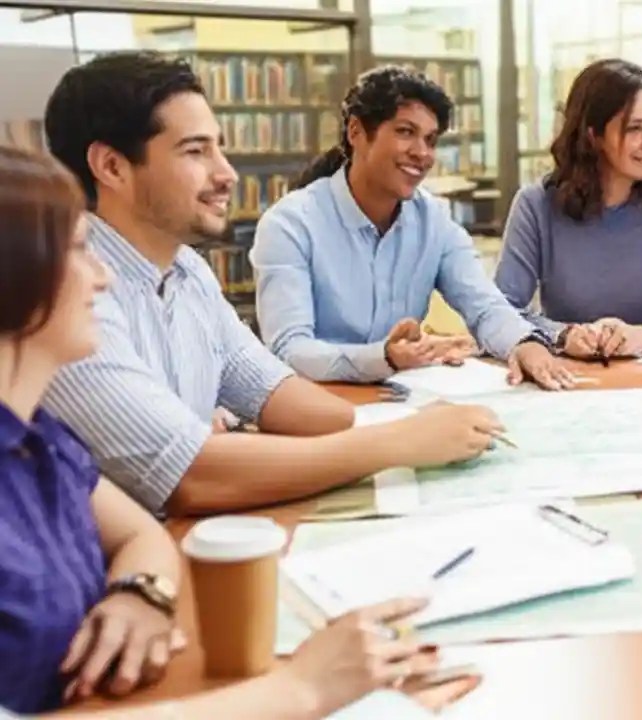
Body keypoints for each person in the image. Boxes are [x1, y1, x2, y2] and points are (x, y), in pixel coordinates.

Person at [0, 146, 474, 715]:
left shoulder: (36, 438)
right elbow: (191, 475)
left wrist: (139, 594)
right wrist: (301, 688)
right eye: (78, 250)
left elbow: (139, 537)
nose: (101, 277)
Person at [40, 52, 510, 517]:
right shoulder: (64, 292)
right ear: (112, 166)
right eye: (195, 151)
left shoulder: (188, 271)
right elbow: (191, 476)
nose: (226, 174)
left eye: (219, 148)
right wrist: (400, 442)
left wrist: (419, 423)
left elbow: (276, 392)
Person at [253, 65, 574, 387]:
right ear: (356, 132)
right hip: (315, 409)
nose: (422, 153)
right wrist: (384, 357)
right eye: (405, 132)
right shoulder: (290, 224)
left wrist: (525, 345)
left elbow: (485, 305)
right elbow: (288, 349)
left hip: (401, 403)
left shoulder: (434, 219)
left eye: (431, 140)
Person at [493, 58, 642, 361]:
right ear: (593, 136)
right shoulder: (535, 205)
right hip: (568, 379)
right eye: (635, 129)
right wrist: (562, 336)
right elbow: (500, 310)